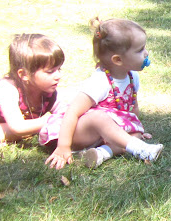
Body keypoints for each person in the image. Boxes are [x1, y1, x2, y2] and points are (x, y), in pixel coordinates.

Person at [42, 18, 163, 169]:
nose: (146, 53)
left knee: (135, 133)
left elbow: (132, 109)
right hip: (78, 133)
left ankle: (102, 153)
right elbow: (72, 113)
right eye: (139, 50)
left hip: (104, 135)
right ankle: (141, 149)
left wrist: (136, 129)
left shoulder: (132, 76)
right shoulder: (100, 81)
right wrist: (63, 146)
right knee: (97, 117)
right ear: (118, 60)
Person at [0, 33, 64, 147]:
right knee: (17, 131)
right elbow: (18, 127)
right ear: (24, 74)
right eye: (50, 72)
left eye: (59, 69)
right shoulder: (7, 88)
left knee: (17, 131)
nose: (58, 76)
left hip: (1, 126)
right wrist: (52, 119)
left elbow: (67, 111)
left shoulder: (48, 93)